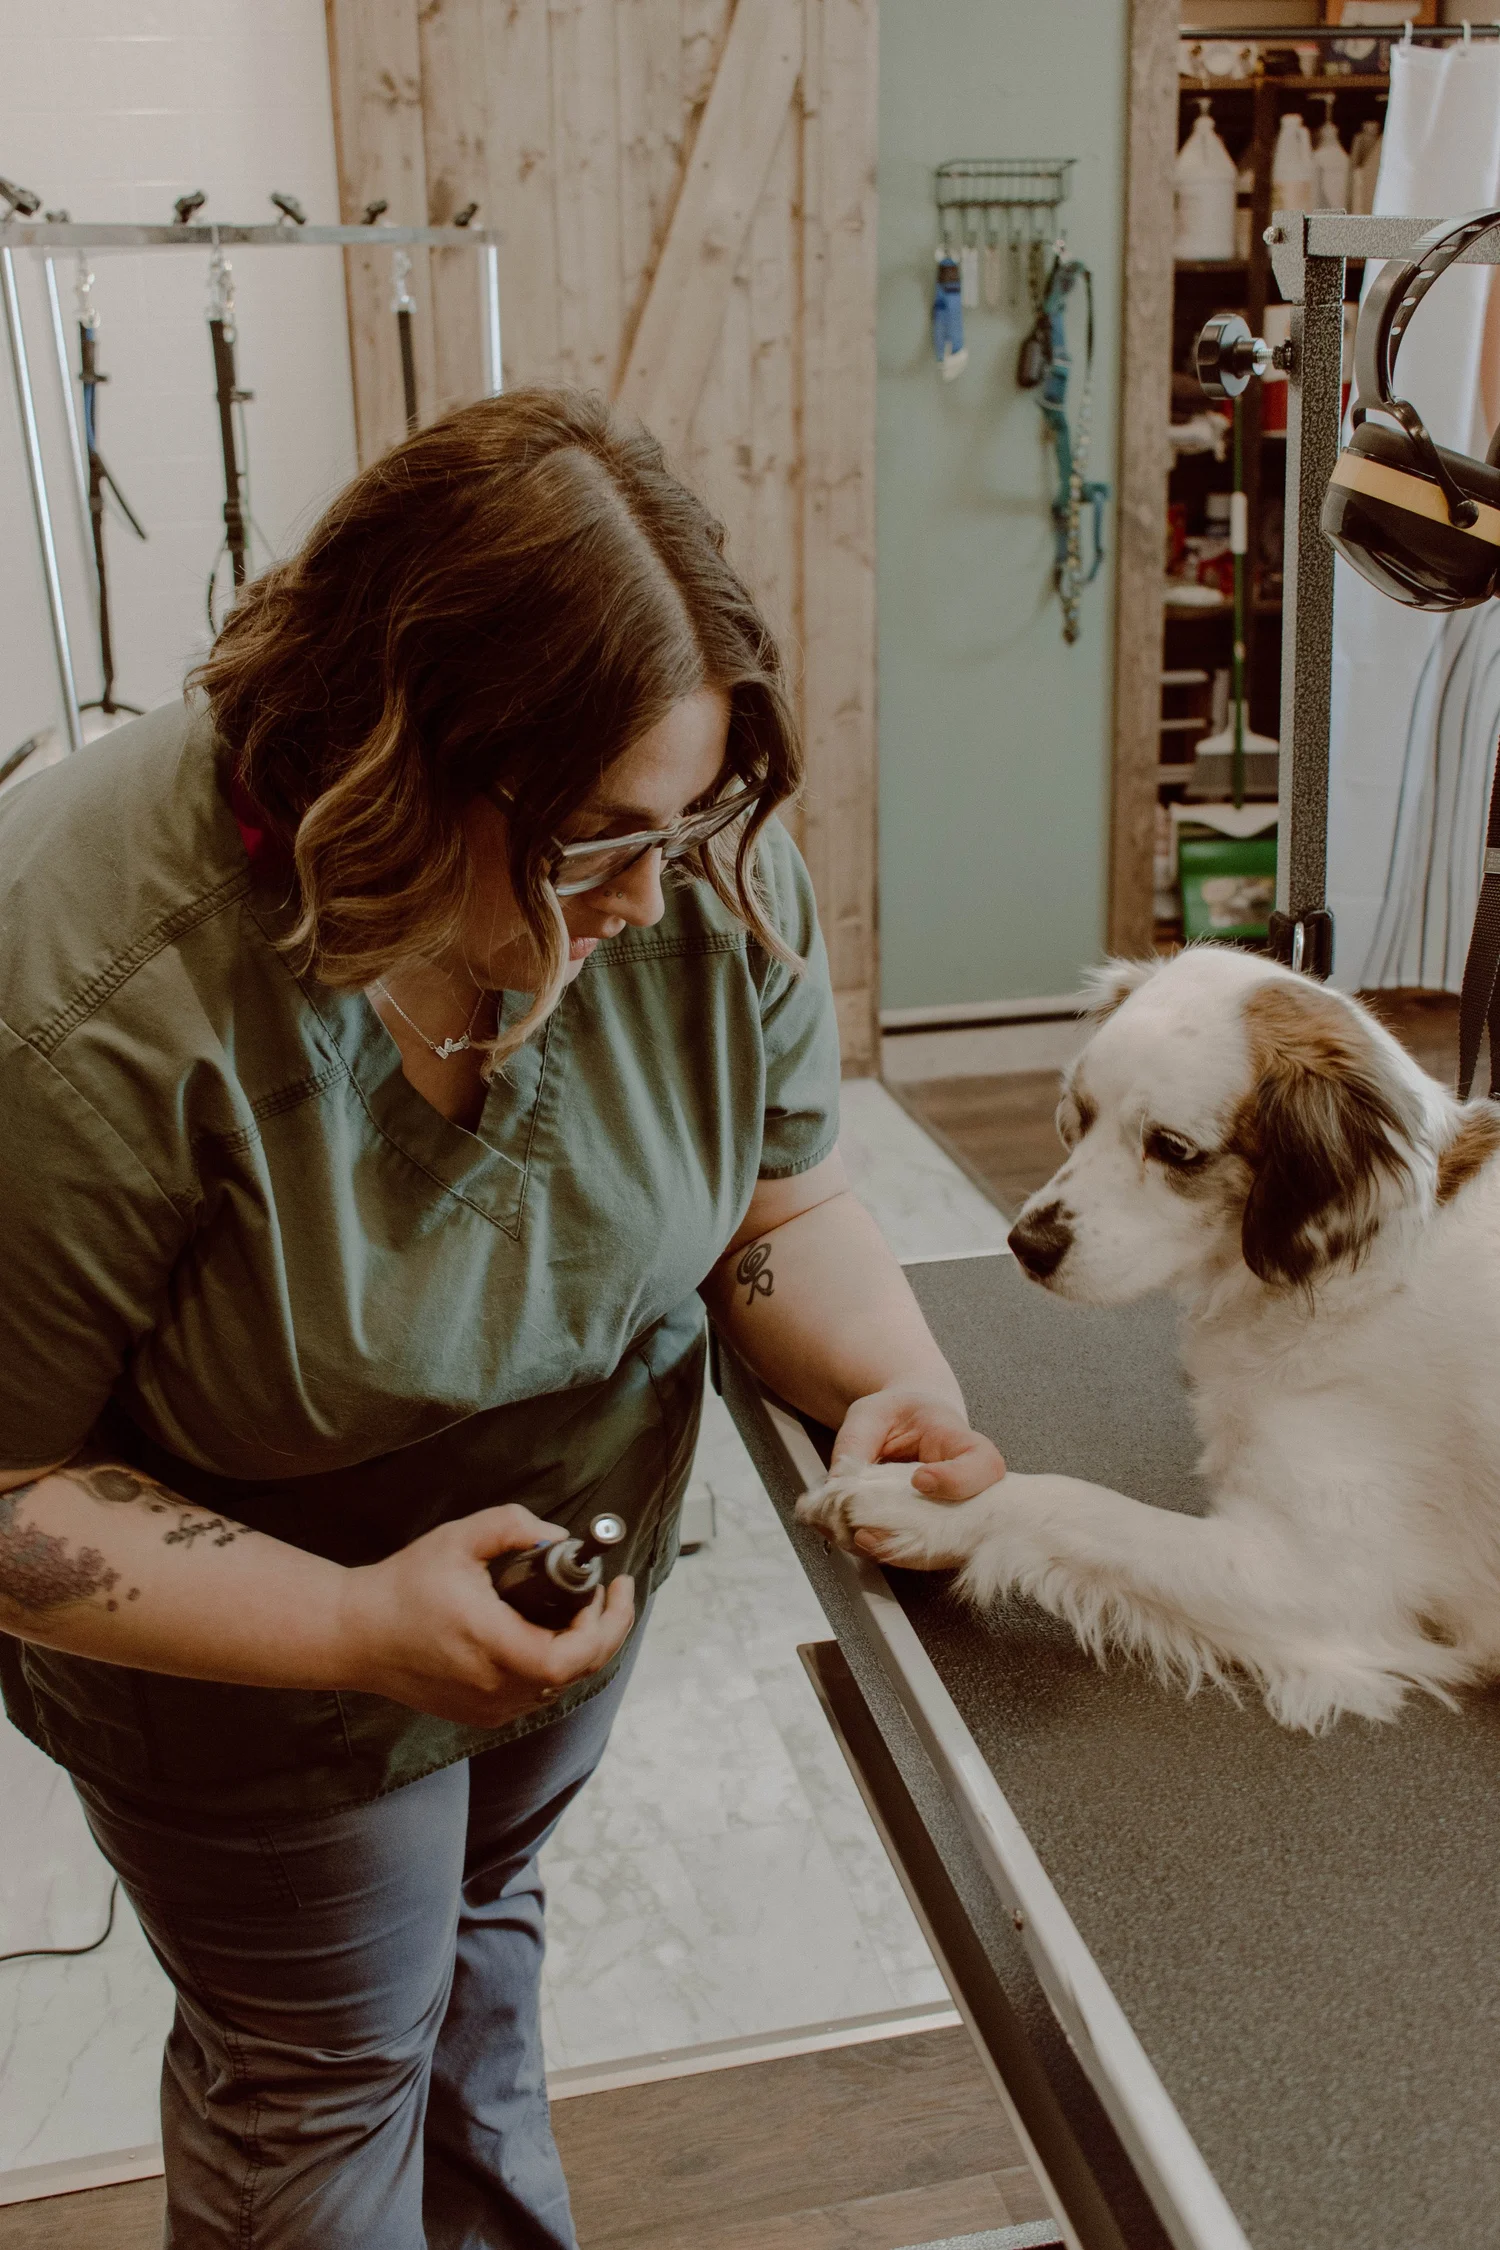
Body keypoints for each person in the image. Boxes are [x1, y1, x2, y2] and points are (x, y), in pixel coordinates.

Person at [0, 389, 1004, 2249]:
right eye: (584, 844)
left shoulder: (689, 860)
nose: (650, 897)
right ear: (382, 766)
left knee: (472, 1958)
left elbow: (786, 1199)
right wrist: (355, 1623)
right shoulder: (86, 992)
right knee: (319, 2065)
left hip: (551, 1584)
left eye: (685, 825)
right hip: (256, 1680)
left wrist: (898, 1383)